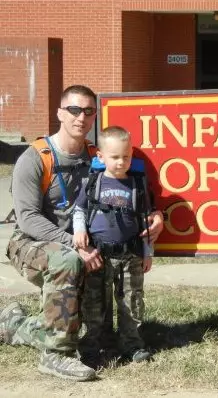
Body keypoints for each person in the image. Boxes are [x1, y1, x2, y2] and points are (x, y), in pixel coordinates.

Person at [0, 85, 164, 381]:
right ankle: (56, 355)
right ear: (60, 113)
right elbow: (27, 219)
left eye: (89, 111)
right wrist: (73, 246)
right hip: (34, 243)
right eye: (74, 110)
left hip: (85, 243)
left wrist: (155, 215)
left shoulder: (98, 156)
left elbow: (135, 191)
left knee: (83, 320)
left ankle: (16, 324)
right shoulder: (36, 158)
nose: (81, 117)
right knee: (68, 262)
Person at [73, 126, 154, 368]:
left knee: (132, 301)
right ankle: (93, 346)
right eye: (115, 157)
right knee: (94, 303)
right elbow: (79, 210)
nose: (121, 162)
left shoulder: (137, 185)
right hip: (98, 255)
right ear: (101, 157)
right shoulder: (93, 182)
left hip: (131, 255)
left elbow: (146, 223)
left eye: (126, 157)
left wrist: (148, 253)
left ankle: (132, 344)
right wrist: (79, 231)